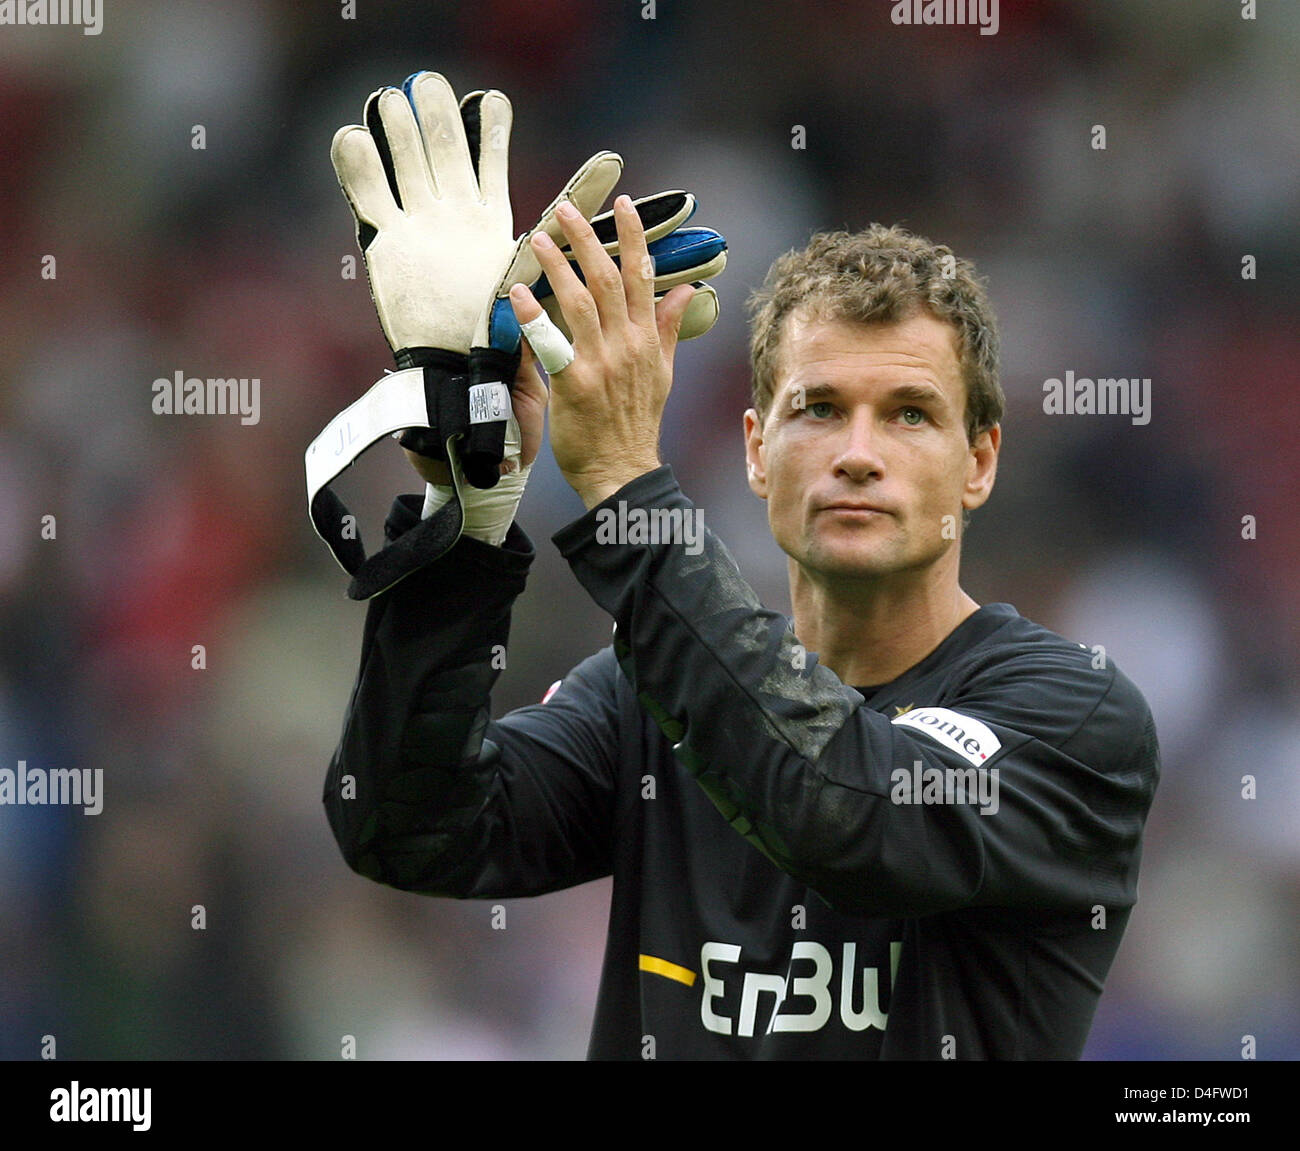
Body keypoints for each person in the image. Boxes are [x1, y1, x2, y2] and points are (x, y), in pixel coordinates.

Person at [323, 189, 1160, 1060]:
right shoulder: (649, 689)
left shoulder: (1073, 715)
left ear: (978, 460)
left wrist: (620, 480)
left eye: (910, 413)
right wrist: (467, 509)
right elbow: (410, 829)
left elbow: (842, 809)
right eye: (820, 408)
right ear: (758, 449)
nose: (858, 453)